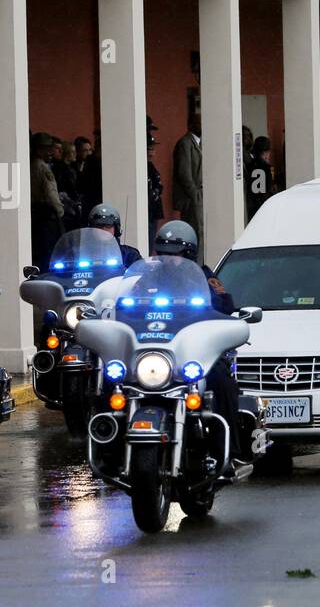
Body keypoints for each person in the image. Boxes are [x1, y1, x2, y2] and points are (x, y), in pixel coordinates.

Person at [152, 220, 246, 461]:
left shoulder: (205, 278)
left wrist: (217, 310)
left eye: (174, 254)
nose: (168, 259)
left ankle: (228, 451)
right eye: (162, 253)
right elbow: (130, 302)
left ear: (190, 253)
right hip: (160, 350)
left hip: (196, 352)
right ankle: (109, 444)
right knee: (117, 379)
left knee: (221, 381)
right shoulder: (150, 279)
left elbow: (225, 306)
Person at [30, 132, 65, 269]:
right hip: (46, 216)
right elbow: (51, 195)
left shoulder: (31, 165)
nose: (50, 152)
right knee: (50, 253)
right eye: (47, 149)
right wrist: (60, 211)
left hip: (35, 214)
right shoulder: (43, 168)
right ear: (39, 149)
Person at [172, 114, 204, 256]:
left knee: (203, 232)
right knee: (196, 232)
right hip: (191, 199)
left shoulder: (200, 143)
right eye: (199, 123)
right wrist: (195, 194)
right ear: (191, 125)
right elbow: (184, 173)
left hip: (200, 196)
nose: (202, 125)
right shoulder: (185, 143)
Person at [88, 203, 144, 268]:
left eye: (108, 226)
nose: (103, 230)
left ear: (116, 229)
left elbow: (143, 274)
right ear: (91, 229)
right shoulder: (81, 255)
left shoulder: (129, 255)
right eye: (99, 226)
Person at [245, 135, 276, 221]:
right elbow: (268, 189)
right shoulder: (266, 167)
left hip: (252, 205)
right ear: (266, 152)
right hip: (263, 206)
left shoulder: (250, 165)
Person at [147, 133, 164, 253]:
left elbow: (159, 185)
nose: (151, 153)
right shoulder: (143, 166)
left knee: (151, 241)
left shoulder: (151, 165)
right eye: (149, 149)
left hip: (154, 210)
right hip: (147, 210)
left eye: (153, 149)